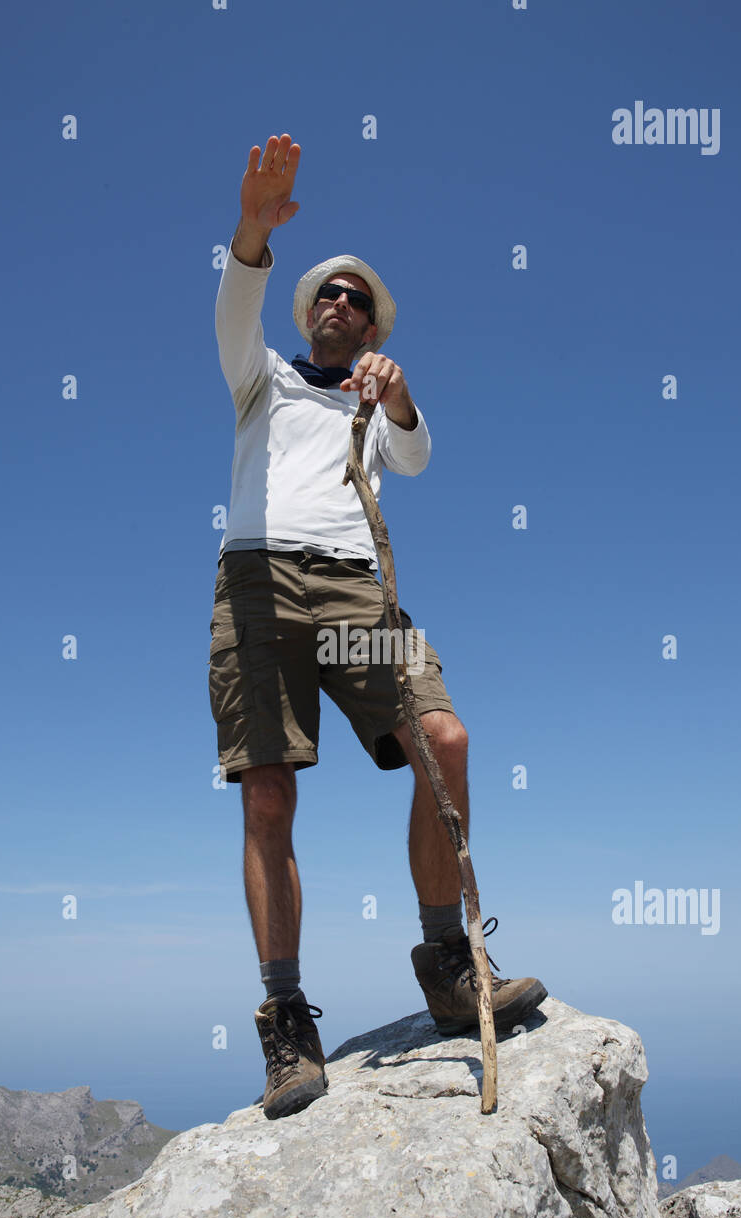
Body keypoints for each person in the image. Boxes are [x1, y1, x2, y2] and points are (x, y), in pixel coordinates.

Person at [211, 133, 547, 1120]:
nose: (341, 303)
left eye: (358, 299)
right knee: (266, 794)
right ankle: (285, 1023)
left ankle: (448, 962)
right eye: (329, 292)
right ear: (306, 310)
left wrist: (396, 396)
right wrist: (254, 228)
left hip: (358, 589)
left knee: (442, 737)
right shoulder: (260, 379)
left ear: (371, 326)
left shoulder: (374, 401)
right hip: (259, 585)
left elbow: (416, 458)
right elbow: (236, 304)